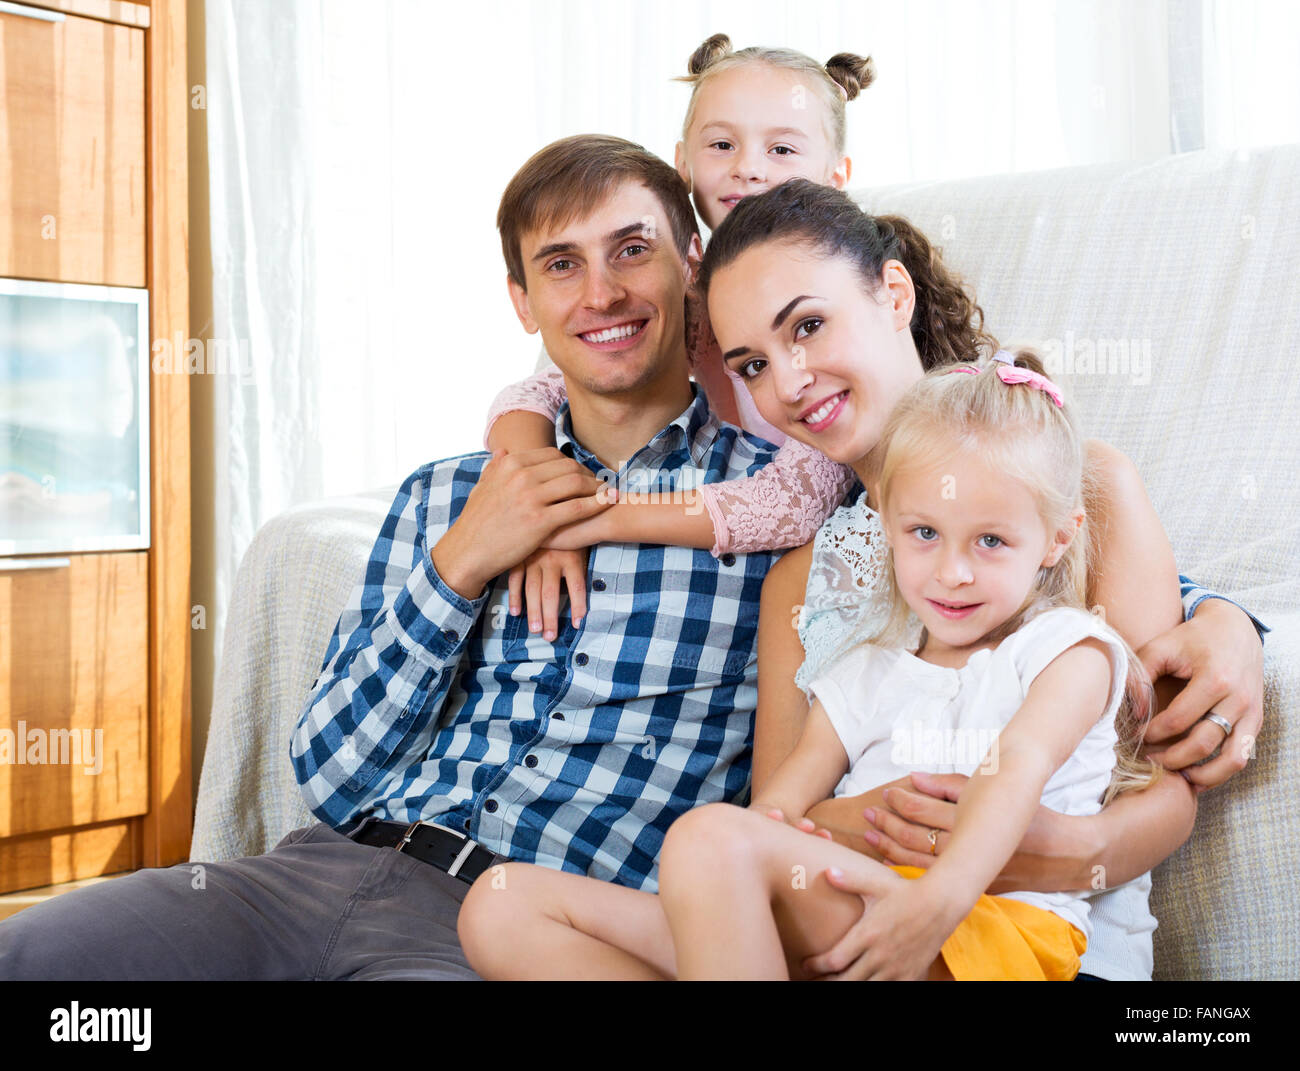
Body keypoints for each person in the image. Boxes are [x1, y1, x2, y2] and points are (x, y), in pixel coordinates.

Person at [0, 134, 782, 980]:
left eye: (633, 250)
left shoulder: (767, 512)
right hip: (311, 875)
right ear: (522, 301)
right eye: (560, 265)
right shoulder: (444, 496)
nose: (602, 292)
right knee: (35, 954)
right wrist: (461, 562)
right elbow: (332, 779)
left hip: (523, 932)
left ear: (690, 262)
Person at [470, 178, 1269, 980]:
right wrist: (857, 824)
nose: (787, 382)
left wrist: (1073, 850)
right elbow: (779, 816)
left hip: (1029, 937)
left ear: (893, 293)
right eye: (752, 364)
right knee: (504, 905)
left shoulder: (1080, 484)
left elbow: (1162, 775)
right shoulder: (800, 577)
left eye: (809, 326)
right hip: (845, 903)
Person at [457, 349, 1162, 980]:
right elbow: (776, 812)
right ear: (886, 526)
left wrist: (934, 902)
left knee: (709, 837)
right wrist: (757, 867)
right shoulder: (868, 668)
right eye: (925, 532)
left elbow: (1014, 772)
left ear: (1056, 538)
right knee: (501, 904)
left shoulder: (1066, 650)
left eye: (991, 541)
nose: (952, 572)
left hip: (980, 934)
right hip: (842, 919)